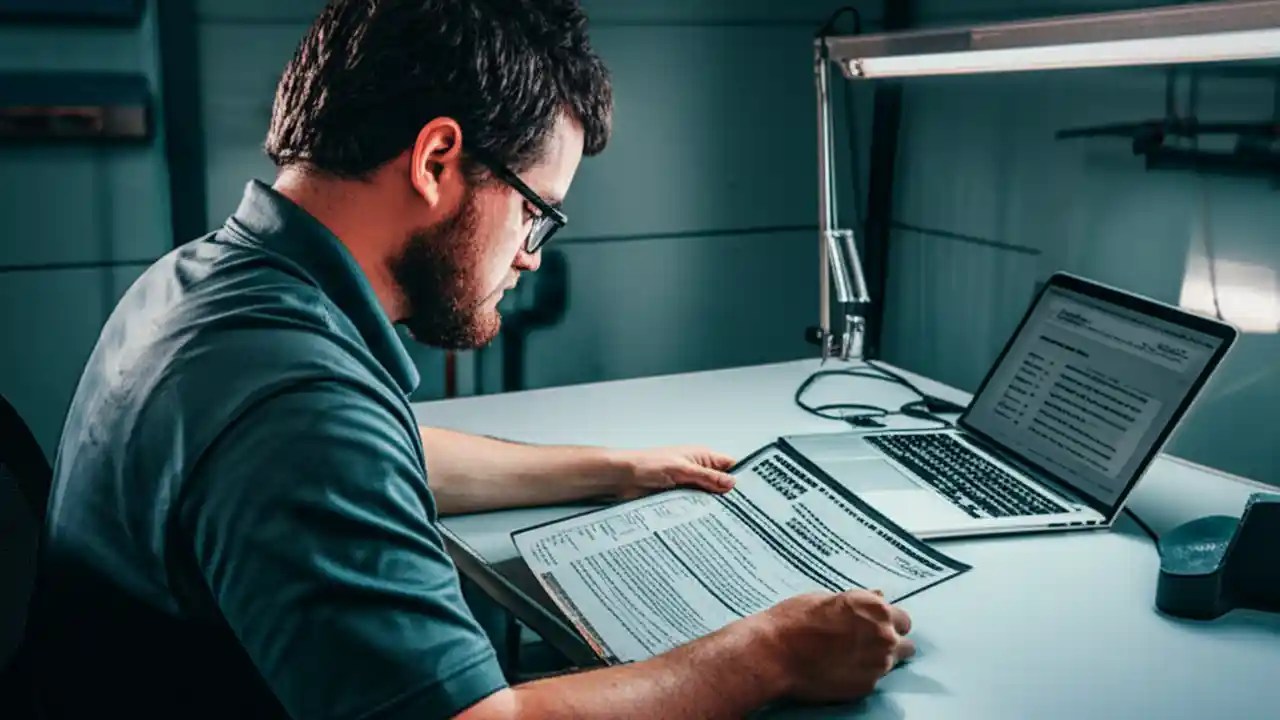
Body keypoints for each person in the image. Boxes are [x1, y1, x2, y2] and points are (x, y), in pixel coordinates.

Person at [31, 1, 915, 718]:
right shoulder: (300, 410)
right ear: (437, 159)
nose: (532, 253)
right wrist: (770, 653)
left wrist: (614, 469)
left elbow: (385, 455)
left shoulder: (202, 280)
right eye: (537, 210)